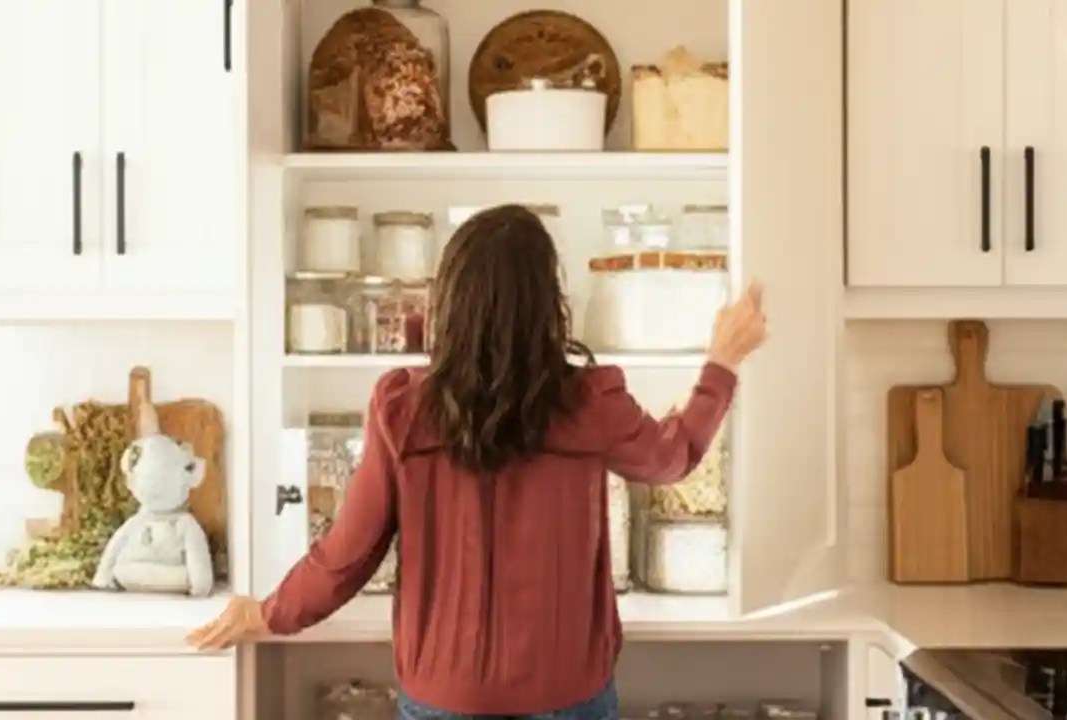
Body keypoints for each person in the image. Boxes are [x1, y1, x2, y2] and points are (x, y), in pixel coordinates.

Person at [187, 204, 767, 719]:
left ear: (450, 300)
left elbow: (348, 554)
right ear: (550, 305)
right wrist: (721, 363)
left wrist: (268, 613)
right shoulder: (589, 402)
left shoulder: (403, 408)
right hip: (567, 695)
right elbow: (673, 456)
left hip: (444, 697)